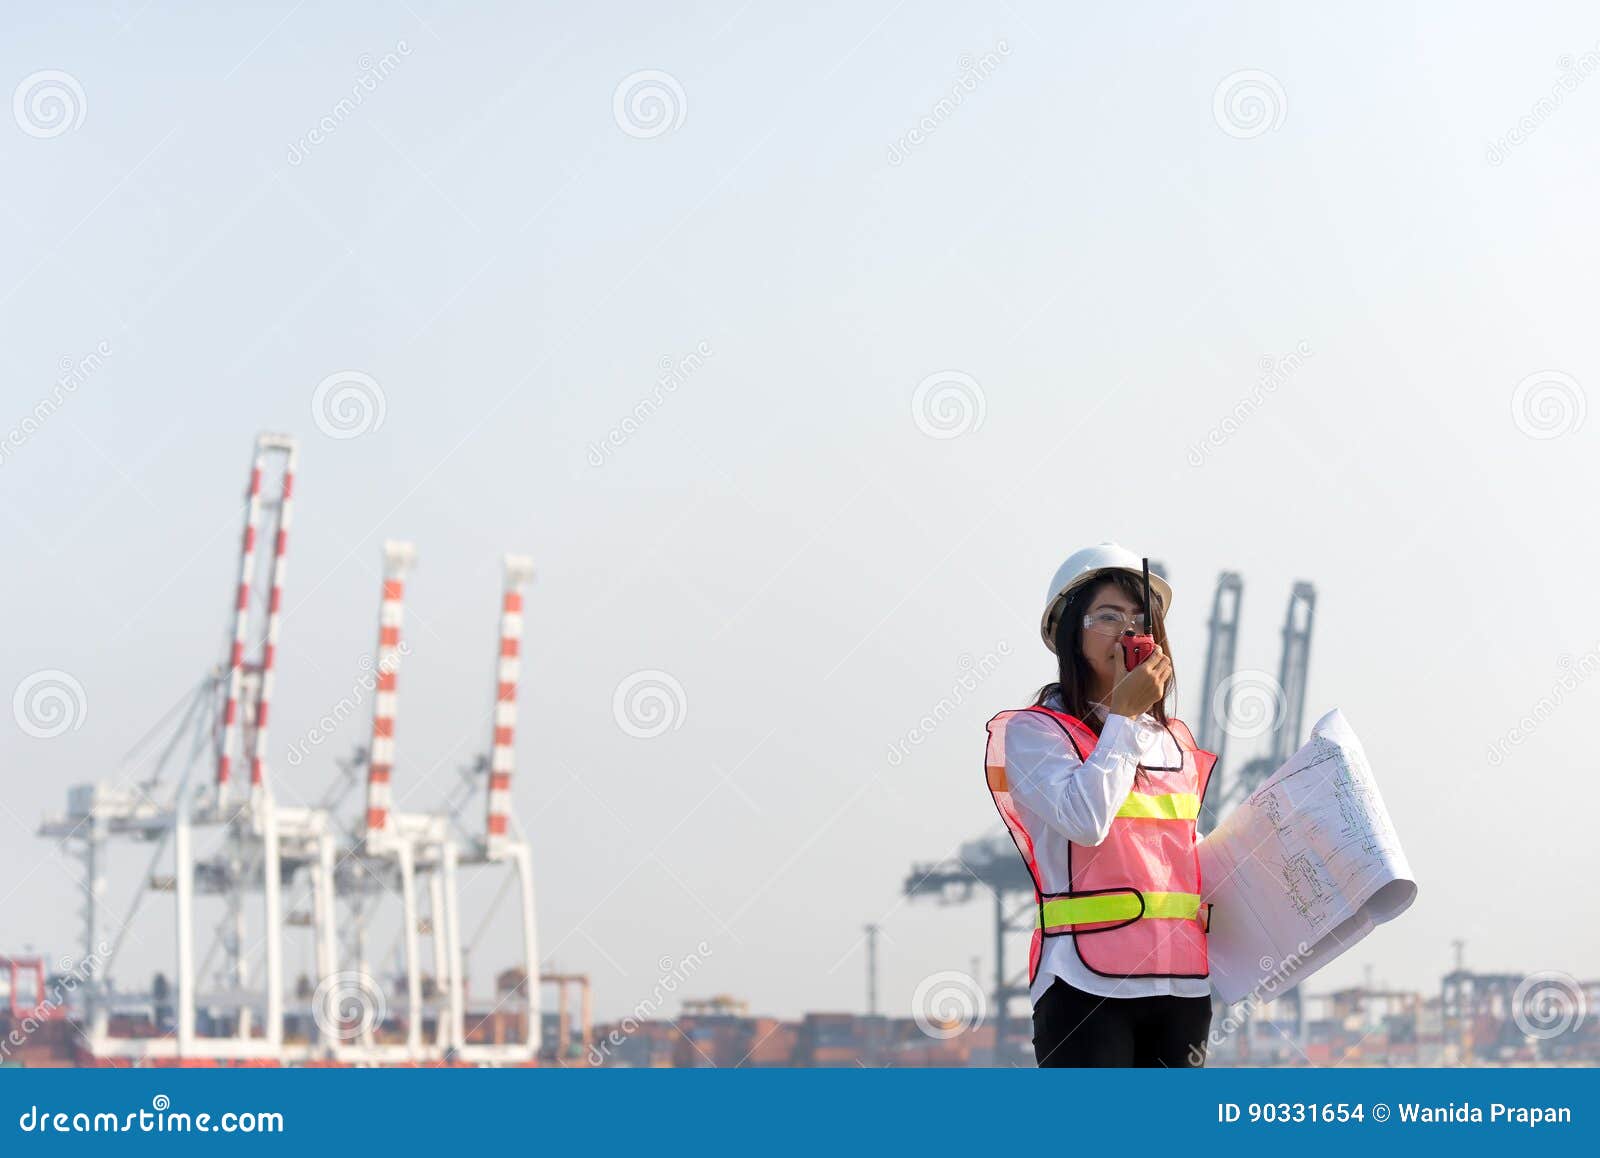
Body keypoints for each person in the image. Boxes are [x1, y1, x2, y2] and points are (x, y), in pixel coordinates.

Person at [983, 541, 1217, 1067]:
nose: (1129, 632)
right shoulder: (1036, 733)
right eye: (1109, 616)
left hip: (1181, 988)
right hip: (1084, 986)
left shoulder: (1173, 740)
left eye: (1139, 619)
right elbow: (1086, 822)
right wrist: (1126, 719)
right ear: (1070, 631)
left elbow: (1184, 854)